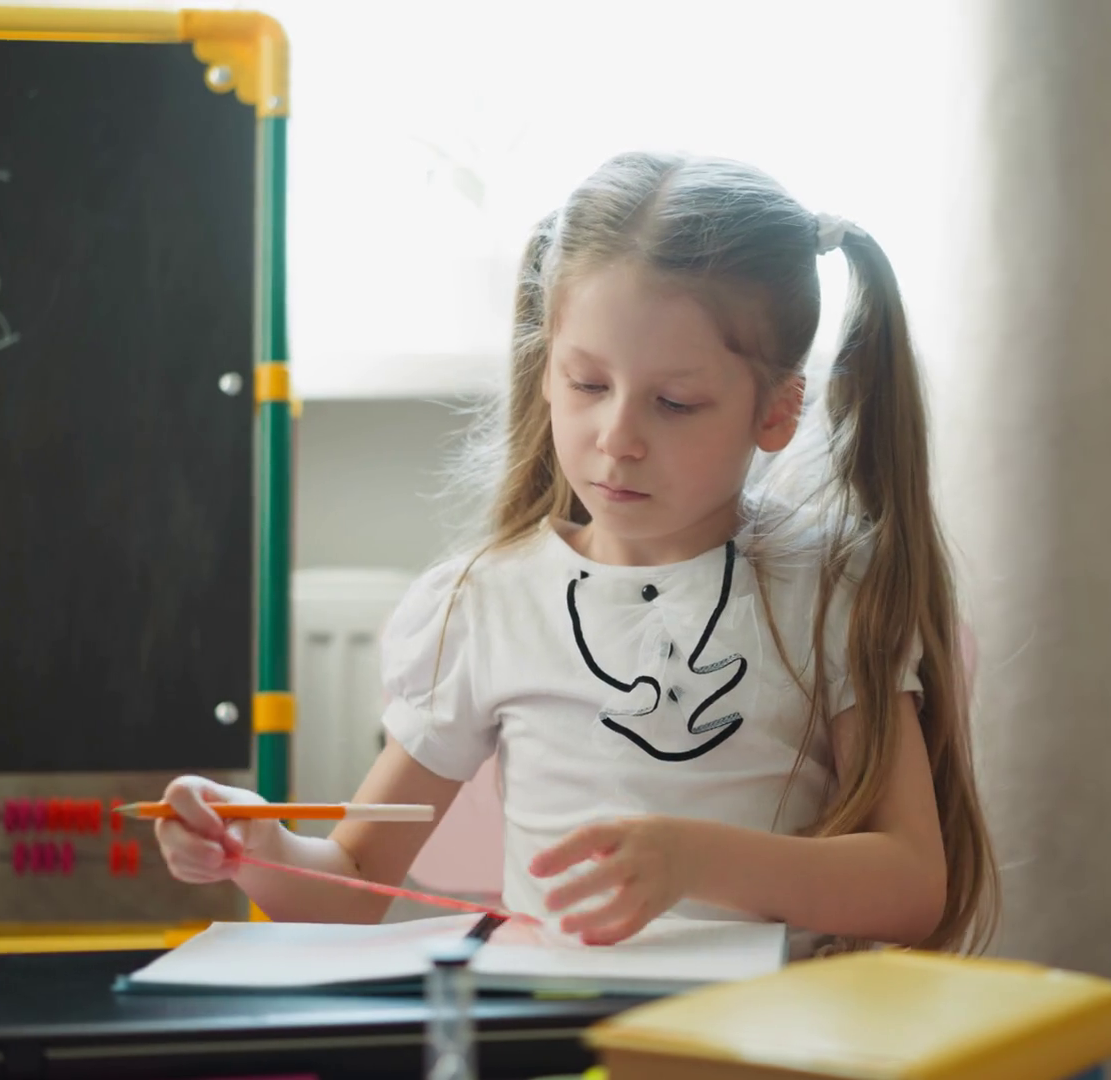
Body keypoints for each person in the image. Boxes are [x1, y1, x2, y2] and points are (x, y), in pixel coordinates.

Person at [153, 152, 997, 953]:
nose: (617, 438)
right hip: (556, 1036)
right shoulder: (487, 604)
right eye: (588, 385)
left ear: (776, 412)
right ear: (546, 369)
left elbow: (911, 884)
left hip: (758, 1037)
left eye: (675, 402)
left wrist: (693, 860)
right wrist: (255, 844)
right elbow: (351, 882)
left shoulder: (828, 591)